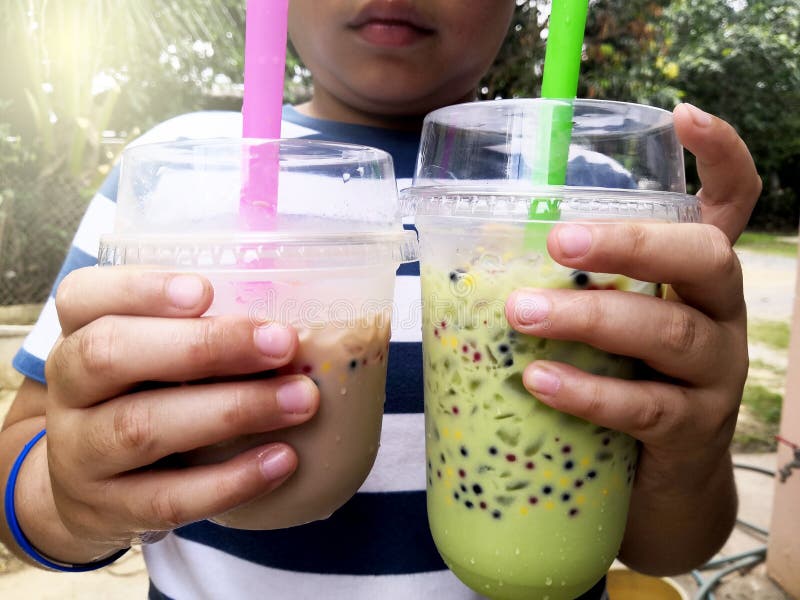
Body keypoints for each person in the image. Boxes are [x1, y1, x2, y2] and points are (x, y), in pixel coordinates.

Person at [1, 1, 761, 599]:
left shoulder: (602, 203)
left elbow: (672, 547)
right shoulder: (172, 180)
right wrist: (68, 501)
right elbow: (23, 451)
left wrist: (688, 453)